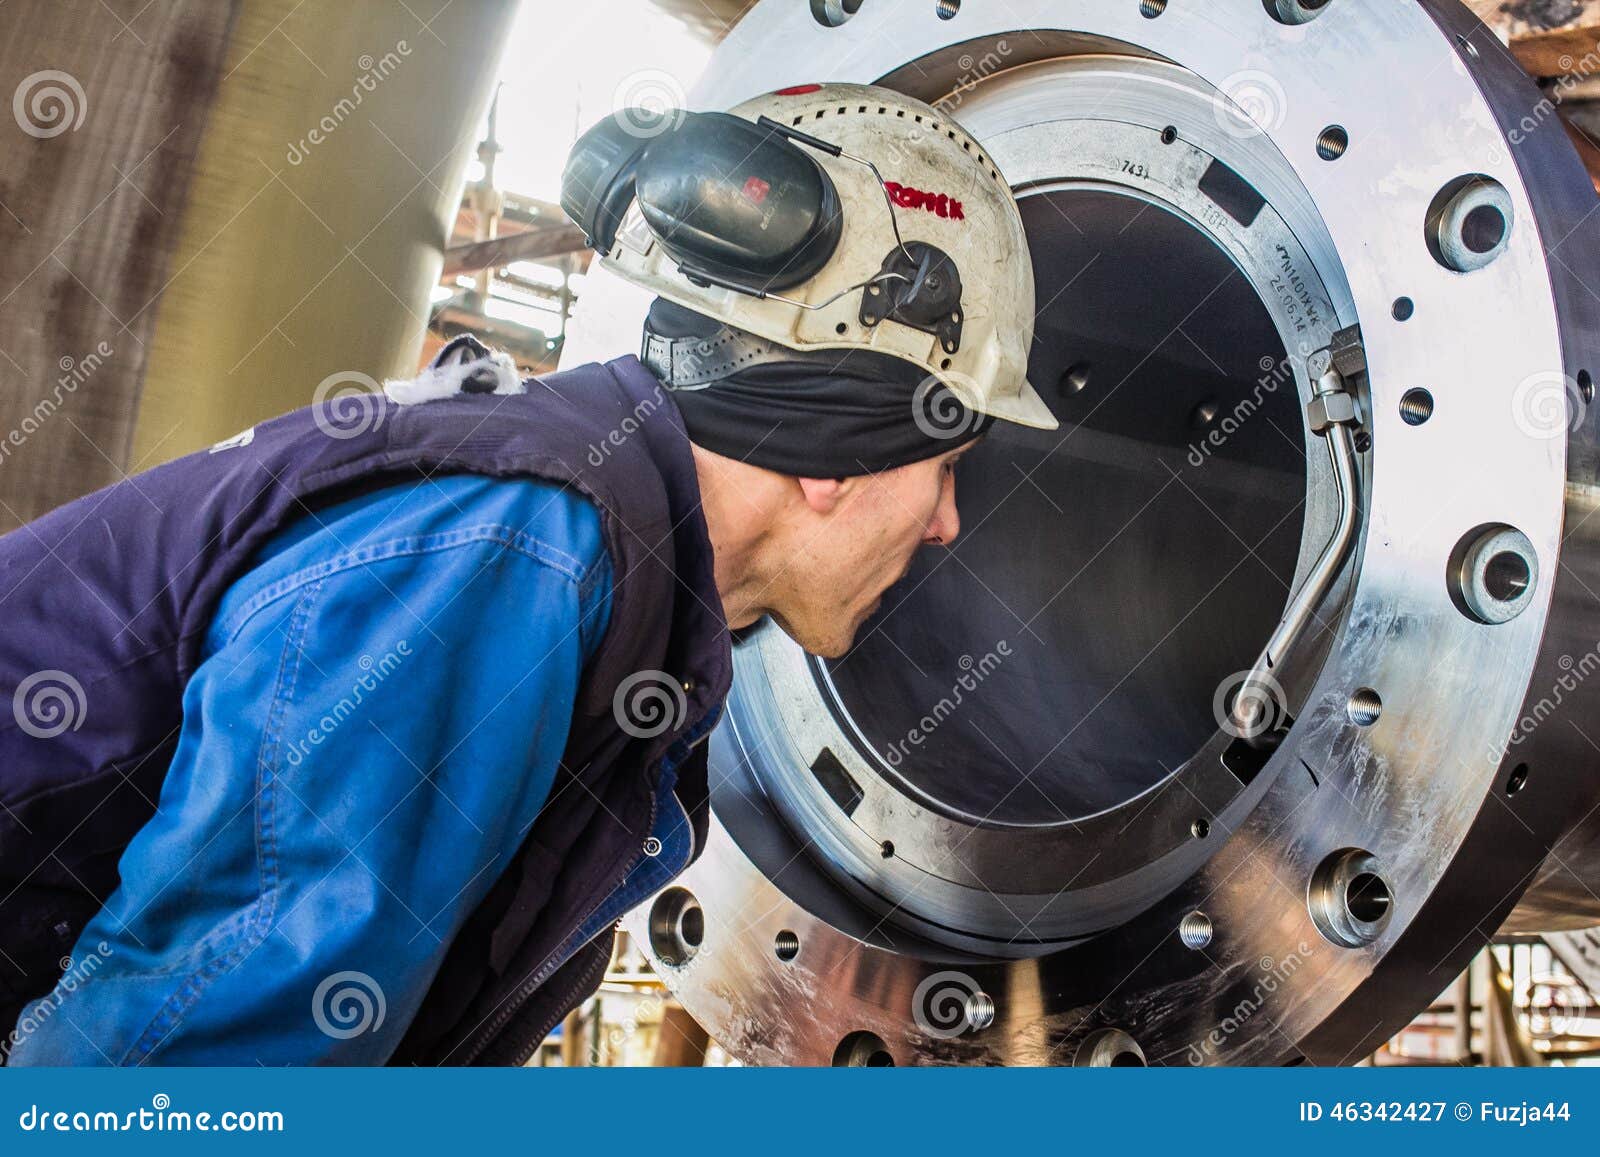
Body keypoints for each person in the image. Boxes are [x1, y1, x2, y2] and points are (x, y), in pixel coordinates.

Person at [0, 82, 1055, 1065]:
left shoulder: (599, 580)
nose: (946, 524)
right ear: (840, 456)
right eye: (946, 466)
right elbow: (176, 1068)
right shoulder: (508, 558)